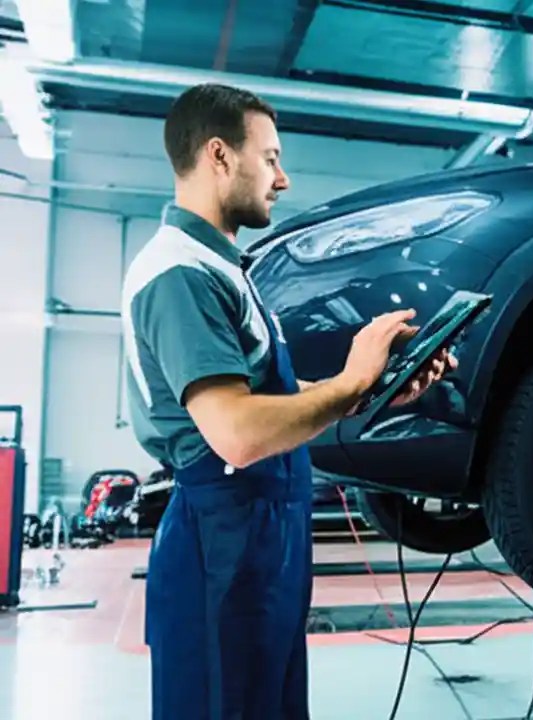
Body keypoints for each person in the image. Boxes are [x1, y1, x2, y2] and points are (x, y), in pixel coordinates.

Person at [120, 83, 456, 719]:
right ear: (220, 156)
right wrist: (349, 383)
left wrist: (369, 389)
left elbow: (268, 397)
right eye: (269, 157)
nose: (283, 178)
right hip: (223, 543)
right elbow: (237, 433)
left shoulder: (219, 268)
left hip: (257, 539)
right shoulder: (180, 274)